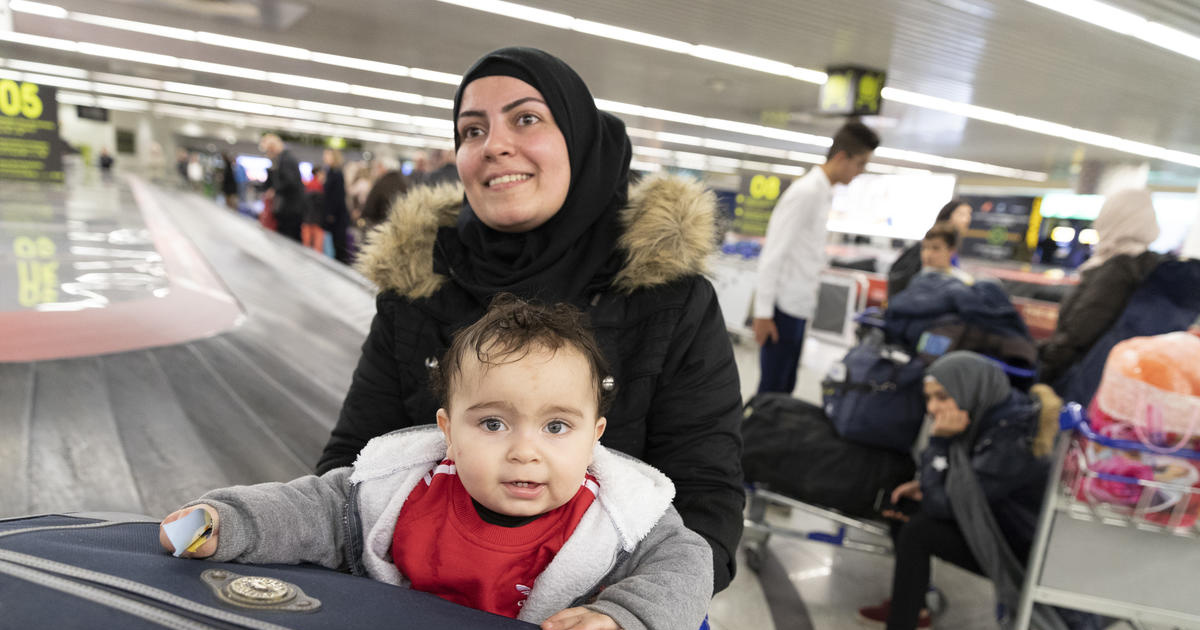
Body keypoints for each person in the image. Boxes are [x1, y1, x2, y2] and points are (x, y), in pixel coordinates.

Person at [315, 47, 744, 593]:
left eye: (526, 119)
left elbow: (707, 501)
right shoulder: (421, 288)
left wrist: (623, 612)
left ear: (580, 140)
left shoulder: (667, 300)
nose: (493, 144)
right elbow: (353, 465)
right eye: (471, 131)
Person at [160, 297, 712, 630]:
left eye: (557, 426)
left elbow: (686, 564)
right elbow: (315, 509)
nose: (525, 450)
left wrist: (622, 616)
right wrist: (224, 521)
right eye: (493, 424)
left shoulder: (617, 522)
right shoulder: (399, 491)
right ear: (447, 432)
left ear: (594, 439)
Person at [857, 352, 1055, 630]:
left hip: (1013, 550)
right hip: (991, 521)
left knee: (919, 531)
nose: (932, 409)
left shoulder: (1012, 439)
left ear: (969, 388)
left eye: (941, 397)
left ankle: (902, 622)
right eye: (929, 398)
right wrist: (928, 482)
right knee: (902, 503)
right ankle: (915, 608)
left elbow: (945, 505)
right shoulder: (992, 414)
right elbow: (964, 484)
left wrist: (939, 442)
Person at [752, 120, 880, 394]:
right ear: (841, 157)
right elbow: (774, 254)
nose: (860, 172)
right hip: (781, 310)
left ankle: (774, 435)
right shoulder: (806, 193)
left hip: (798, 307)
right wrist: (762, 313)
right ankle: (758, 436)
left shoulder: (824, 193)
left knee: (785, 386)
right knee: (772, 389)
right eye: (860, 164)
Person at [1039, 189, 1164, 386]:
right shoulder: (1150, 266)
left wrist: (1041, 374)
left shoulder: (1117, 270)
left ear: (1114, 218)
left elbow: (1078, 334)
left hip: (1081, 380)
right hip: (1117, 379)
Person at [888, 199, 973, 299]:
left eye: (969, 214)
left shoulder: (960, 277)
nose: (967, 219)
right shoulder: (922, 252)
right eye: (961, 214)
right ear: (948, 216)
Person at [259, 133, 305, 242]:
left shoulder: (286, 160)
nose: (268, 154)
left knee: (290, 238)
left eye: (268, 151)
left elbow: (290, 182)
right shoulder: (284, 159)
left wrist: (275, 190)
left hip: (291, 209)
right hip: (291, 208)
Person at [322, 148, 352, 263]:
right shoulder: (330, 172)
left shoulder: (337, 174)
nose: (325, 157)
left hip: (338, 216)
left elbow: (338, 196)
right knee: (335, 244)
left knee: (339, 244)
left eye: (327, 155)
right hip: (334, 214)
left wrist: (331, 214)